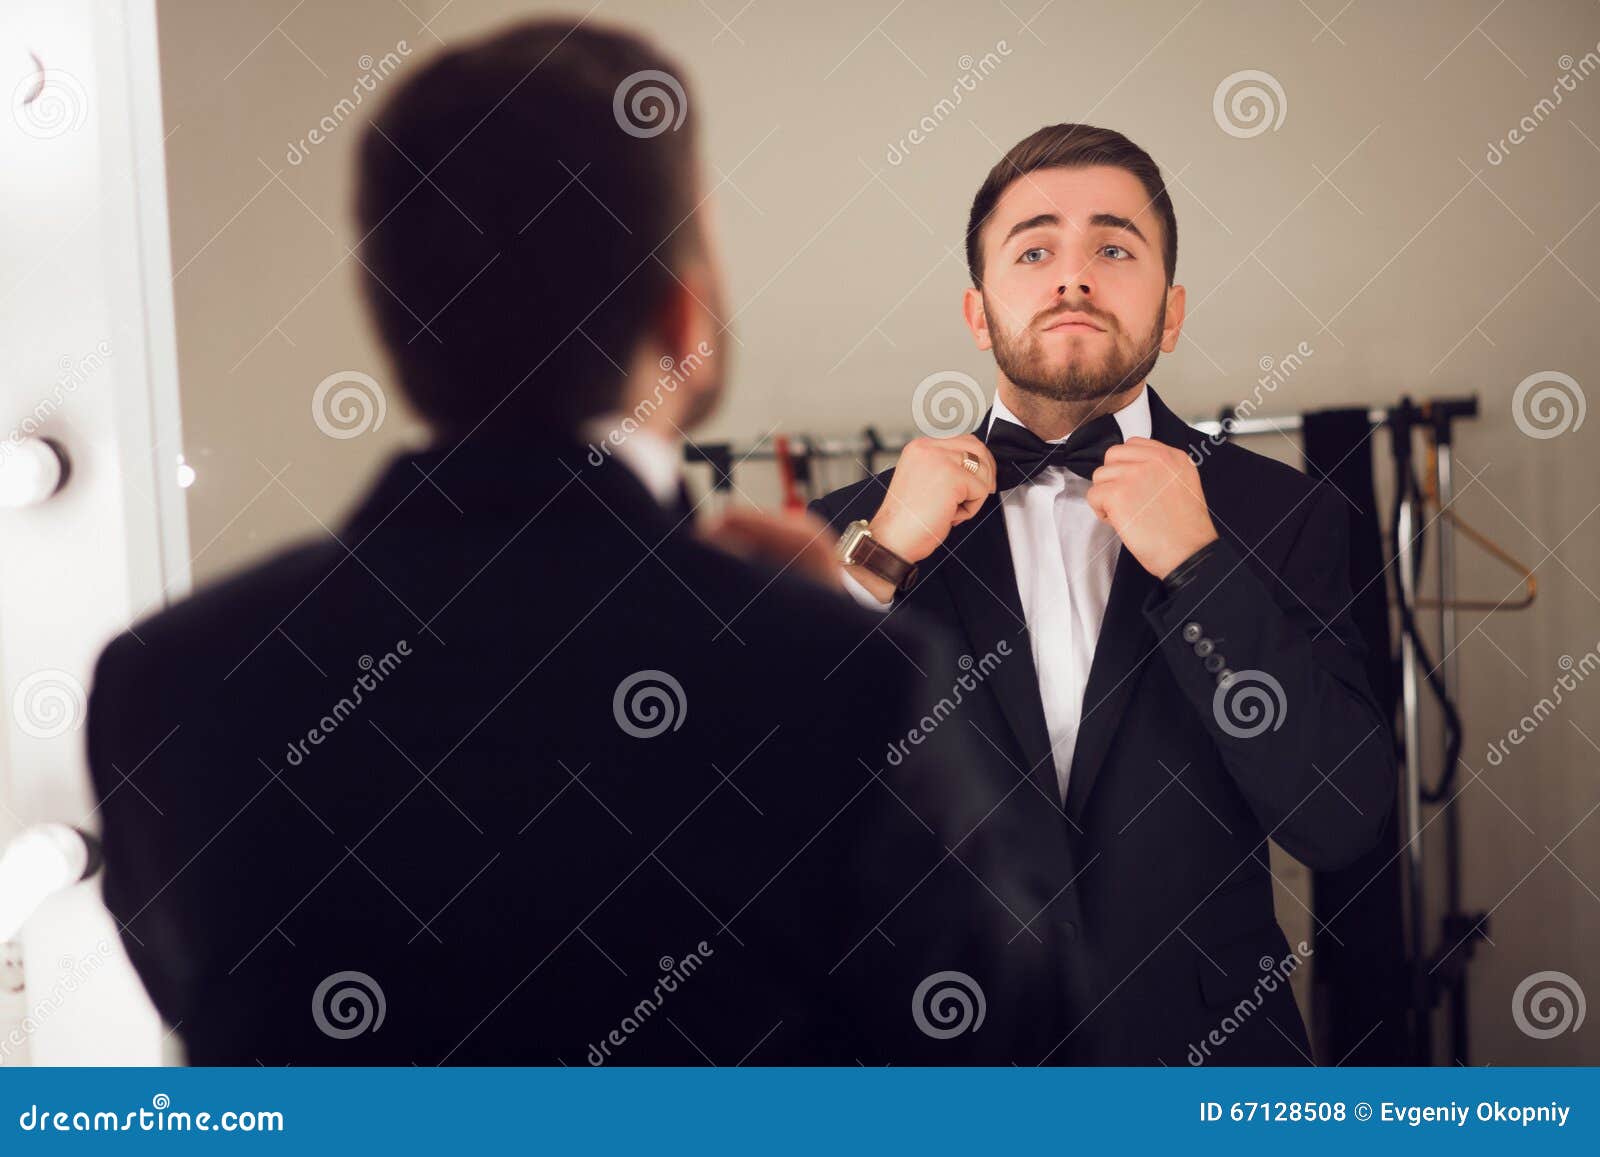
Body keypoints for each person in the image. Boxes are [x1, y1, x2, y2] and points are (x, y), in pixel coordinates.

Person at [85, 19, 1062, 1066]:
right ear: (685, 321)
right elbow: (1005, 1053)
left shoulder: (167, 681)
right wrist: (815, 632)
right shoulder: (848, 680)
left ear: (395, 322)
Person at [811, 123, 1398, 1065]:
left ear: (1169, 314)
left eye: (1113, 248)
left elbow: (1340, 819)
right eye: (1035, 248)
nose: (1073, 277)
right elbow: (763, 813)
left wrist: (1203, 569)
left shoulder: (1287, 515)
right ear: (978, 312)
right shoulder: (857, 529)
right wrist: (881, 559)